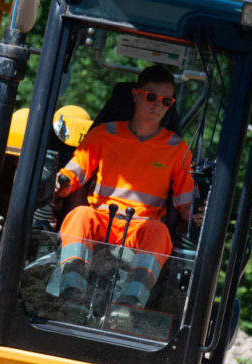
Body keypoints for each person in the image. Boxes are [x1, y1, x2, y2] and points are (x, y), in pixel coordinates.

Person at [50, 64, 200, 311]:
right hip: (100, 220)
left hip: (139, 230)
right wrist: (61, 185)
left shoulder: (177, 149)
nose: (157, 106)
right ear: (136, 95)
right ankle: (71, 293)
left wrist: (197, 215)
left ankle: (127, 304)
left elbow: (186, 204)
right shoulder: (103, 134)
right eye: (151, 97)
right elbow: (72, 175)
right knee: (79, 215)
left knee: (160, 233)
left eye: (166, 102)